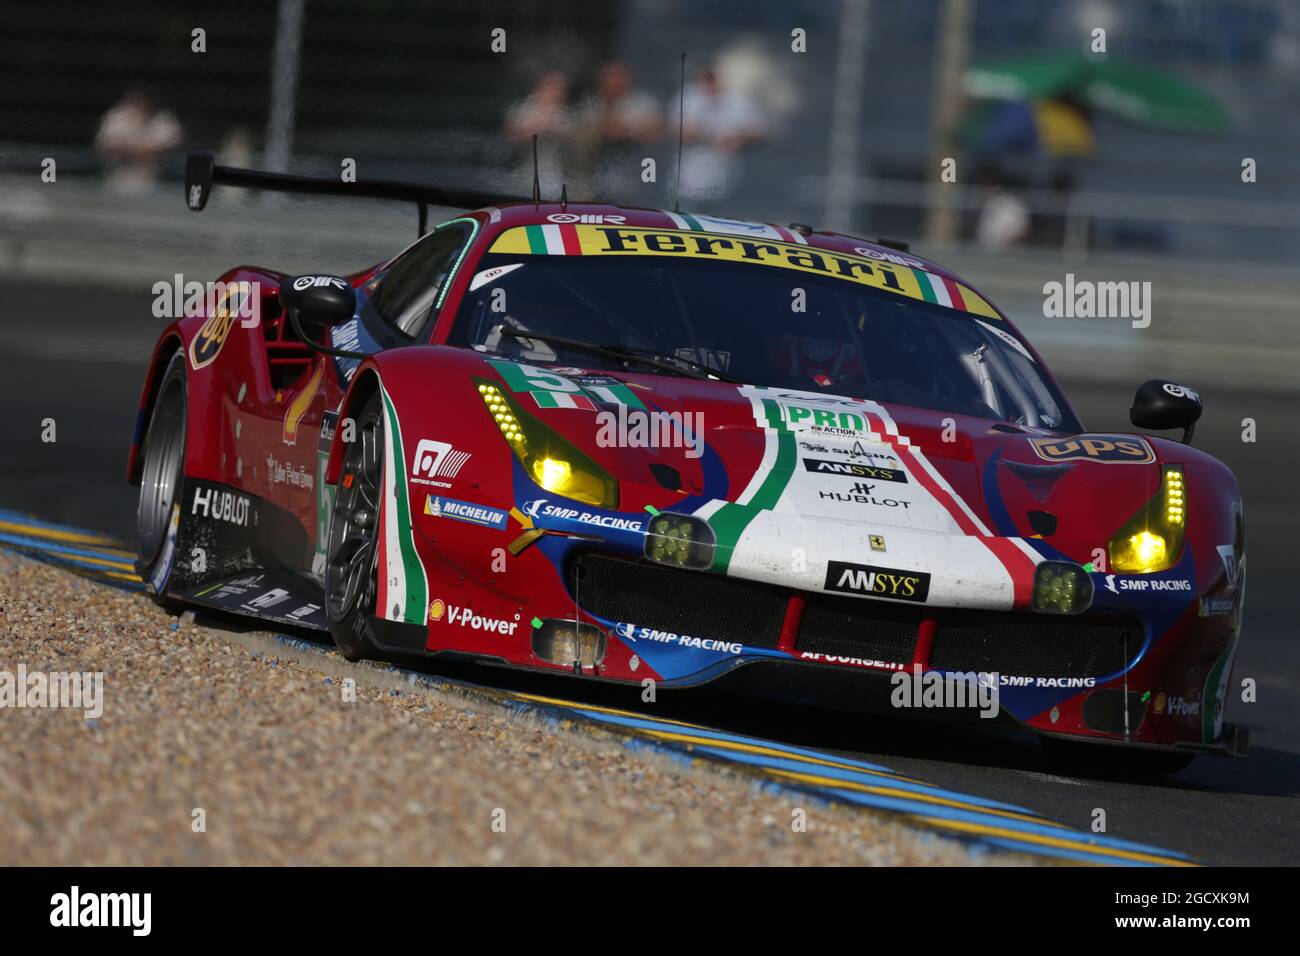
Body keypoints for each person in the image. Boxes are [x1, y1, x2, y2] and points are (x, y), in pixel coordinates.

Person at [672, 67, 767, 203]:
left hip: (726, 179)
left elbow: (761, 131)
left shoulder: (737, 102)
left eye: (713, 80)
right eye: (706, 81)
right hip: (689, 179)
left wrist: (740, 137)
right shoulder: (688, 99)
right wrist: (704, 136)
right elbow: (672, 130)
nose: (711, 86)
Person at [571, 61, 661, 199]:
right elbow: (583, 133)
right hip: (598, 176)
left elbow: (654, 132)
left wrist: (624, 129)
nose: (613, 81)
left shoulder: (642, 103)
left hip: (639, 174)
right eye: (608, 77)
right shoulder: (593, 104)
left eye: (617, 76)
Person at [94, 89, 183, 196]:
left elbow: (163, 150)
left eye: (143, 103)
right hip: (116, 175)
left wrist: (126, 149)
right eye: (135, 102)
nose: (140, 106)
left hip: (157, 178)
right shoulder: (117, 117)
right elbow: (103, 146)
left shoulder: (164, 120)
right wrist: (141, 150)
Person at [503, 72, 574, 195]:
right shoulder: (523, 109)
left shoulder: (565, 114)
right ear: (540, 87)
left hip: (555, 177)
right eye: (552, 87)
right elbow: (511, 138)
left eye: (561, 89)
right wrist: (537, 129)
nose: (557, 92)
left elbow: (573, 142)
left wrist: (556, 128)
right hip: (523, 173)